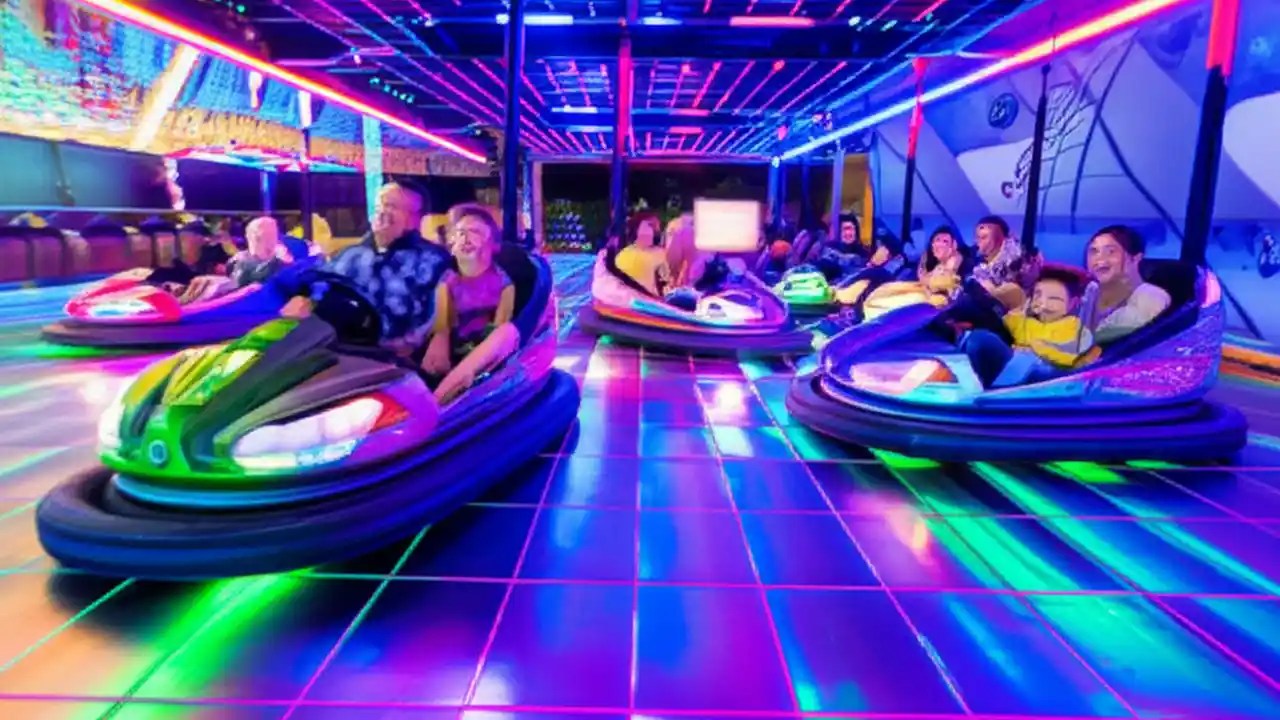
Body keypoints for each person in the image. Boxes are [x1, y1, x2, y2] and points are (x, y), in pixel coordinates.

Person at [281, 180, 450, 354]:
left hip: (395, 360)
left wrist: (439, 337)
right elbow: (315, 283)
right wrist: (304, 299)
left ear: (414, 219)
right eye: (378, 205)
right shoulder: (349, 254)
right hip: (335, 350)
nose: (382, 211)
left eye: (391, 206)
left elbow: (444, 315)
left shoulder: (434, 260)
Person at [423, 205, 516, 402]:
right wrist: (440, 341)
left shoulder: (503, 284)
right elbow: (442, 326)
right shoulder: (447, 282)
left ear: (493, 243)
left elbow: (499, 332)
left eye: (475, 232)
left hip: (485, 355)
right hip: (454, 351)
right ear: (451, 245)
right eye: (460, 233)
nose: (466, 238)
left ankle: (439, 401)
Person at [961, 266, 1093, 387]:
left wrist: (1032, 350)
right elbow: (1004, 324)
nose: (1043, 303)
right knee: (976, 336)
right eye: (1038, 295)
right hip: (1015, 369)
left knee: (981, 340)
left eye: (1054, 299)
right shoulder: (1026, 322)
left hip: (1044, 376)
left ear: (1072, 303)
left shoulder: (1072, 326)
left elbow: (1068, 357)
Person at [1086, 225, 1170, 344]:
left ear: (1136, 258)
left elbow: (1096, 339)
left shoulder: (1153, 297)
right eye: (1094, 251)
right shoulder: (1088, 295)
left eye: (1110, 251)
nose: (1099, 259)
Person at [971, 215, 1039, 310]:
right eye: (977, 238)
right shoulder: (979, 263)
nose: (978, 242)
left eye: (984, 237)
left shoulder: (1018, 260)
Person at [614, 211, 670, 296]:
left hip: (655, 304)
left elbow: (668, 284)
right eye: (650, 225)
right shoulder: (623, 256)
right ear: (637, 228)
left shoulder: (663, 255)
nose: (656, 230)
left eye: (657, 227)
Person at [917, 226, 970, 304]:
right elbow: (924, 277)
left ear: (954, 245)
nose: (940, 245)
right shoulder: (938, 264)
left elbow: (946, 283)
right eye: (937, 240)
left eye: (945, 241)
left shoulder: (958, 261)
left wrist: (926, 281)